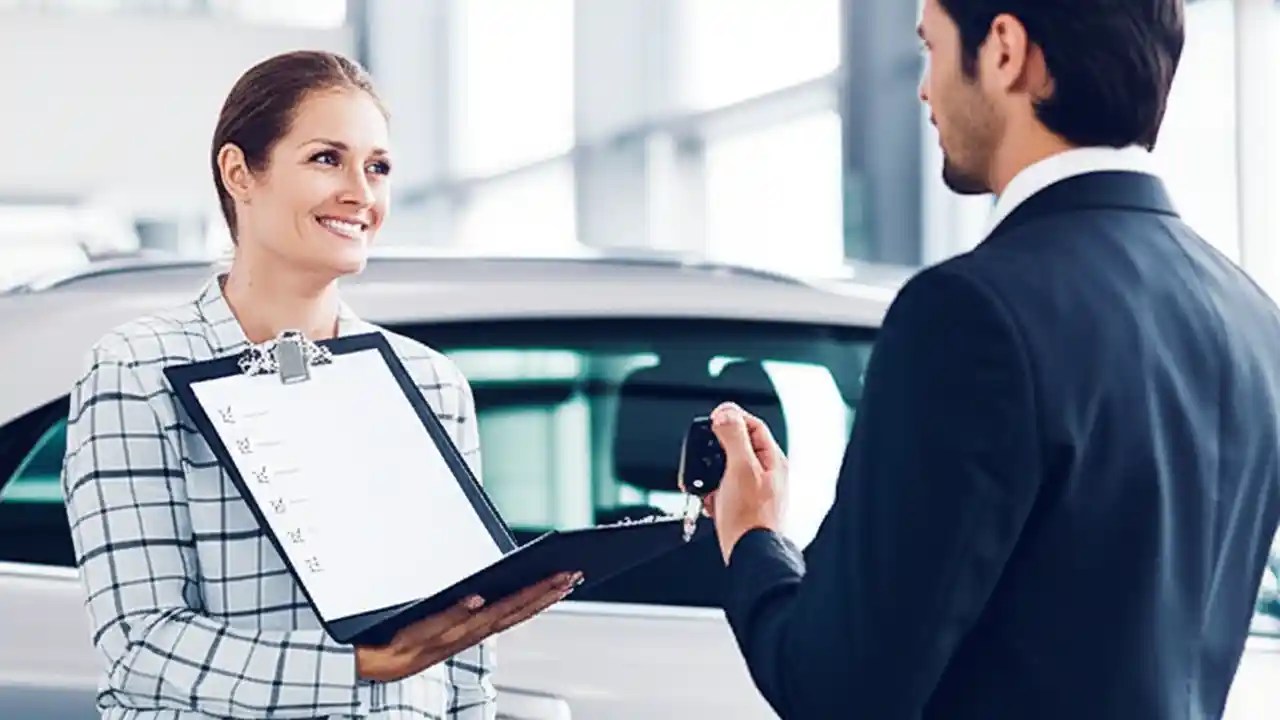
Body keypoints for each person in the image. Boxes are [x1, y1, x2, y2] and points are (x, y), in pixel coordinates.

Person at [701, 1, 1280, 718]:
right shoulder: (1254, 319)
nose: (923, 88)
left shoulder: (969, 314)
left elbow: (837, 692)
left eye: (931, 49)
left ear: (1004, 49)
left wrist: (752, 536)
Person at [60, 50, 577, 720]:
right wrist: (365, 667)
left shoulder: (432, 384)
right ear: (239, 172)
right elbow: (143, 644)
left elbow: (464, 673)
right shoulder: (135, 371)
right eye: (326, 158)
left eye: (378, 167)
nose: (361, 192)